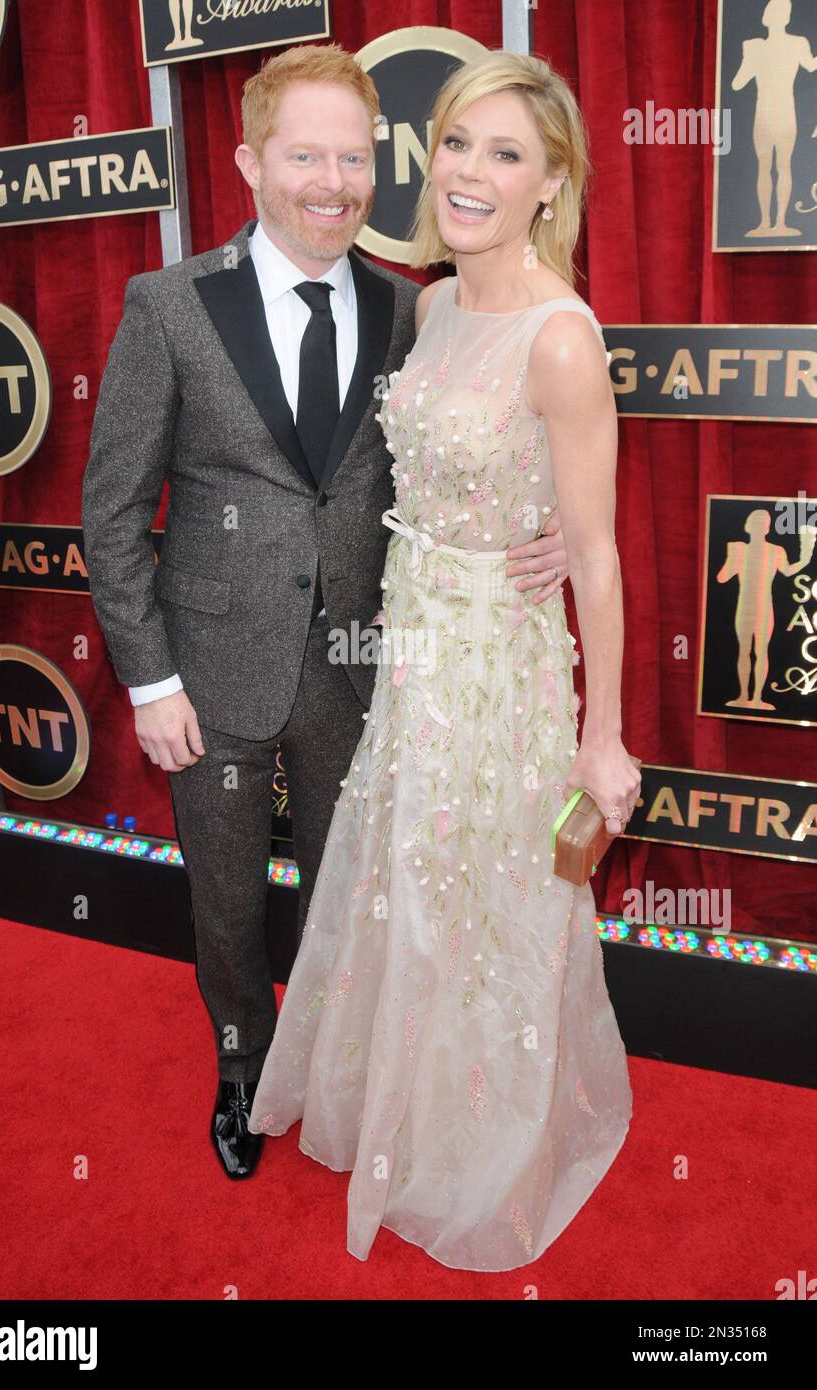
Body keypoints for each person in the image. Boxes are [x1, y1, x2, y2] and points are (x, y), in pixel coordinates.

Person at [81, 43, 569, 1184]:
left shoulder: (415, 310)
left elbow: (450, 461)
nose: (332, 182)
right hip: (210, 675)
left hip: (374, 669)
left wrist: (527, 534)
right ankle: (244, 1069)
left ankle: (353, 1072)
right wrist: (150, 681)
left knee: (366, 895)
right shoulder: (168, 306)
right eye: (305, 154)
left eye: (352, 157)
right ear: (252, 160)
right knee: (226, 899)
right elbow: (110, 515)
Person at [247, 49, 641, 1272]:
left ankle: (481, 1139)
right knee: (405, 873)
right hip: (419, 644)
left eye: (505, 154)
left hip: (503, 664)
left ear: (550, 186)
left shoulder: (563, 340)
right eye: (458, 142)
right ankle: (402, 1110)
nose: (469, 171)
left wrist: (604, 739)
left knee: (489, 891)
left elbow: (598, 556)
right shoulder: (430, 304)